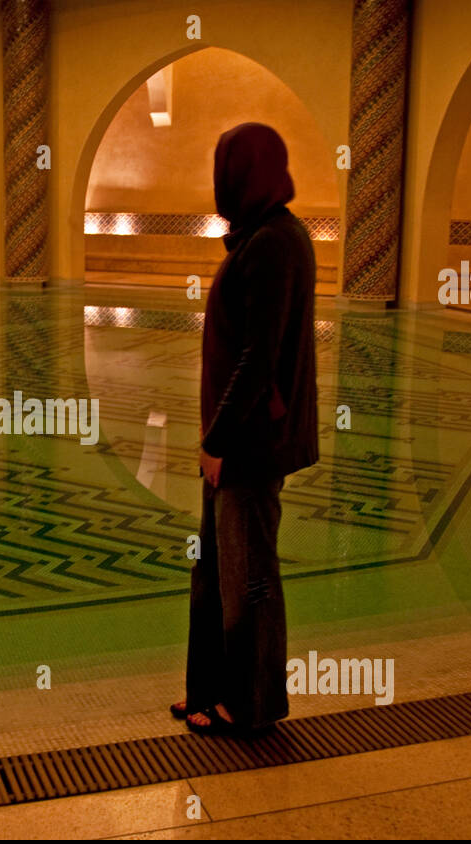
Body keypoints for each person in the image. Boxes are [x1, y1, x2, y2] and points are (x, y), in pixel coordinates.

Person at [172, 122, 318, 736]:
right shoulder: (262, 236)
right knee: (214, 572)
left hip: (250, 446)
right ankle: (210, 689)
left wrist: (218, 442)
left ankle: (251, 703)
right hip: (238, 441)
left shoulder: (274, 245)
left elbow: (260, 358)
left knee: (248, 577)